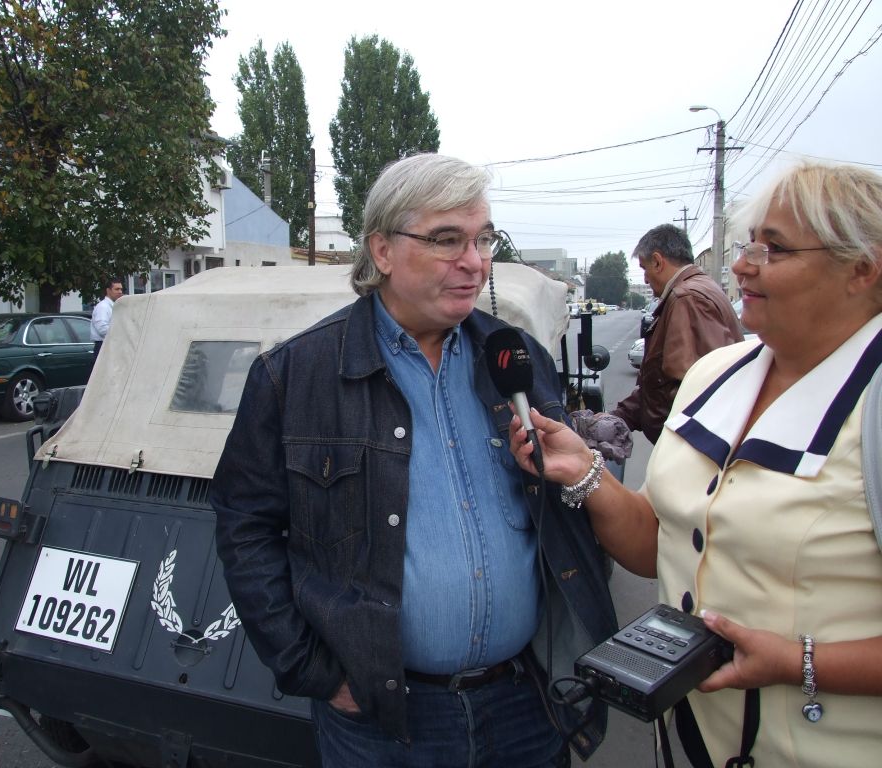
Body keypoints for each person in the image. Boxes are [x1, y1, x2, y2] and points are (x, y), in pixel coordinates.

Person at [211, 153, 617, 767]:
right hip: (383, 722)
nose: (475, 261)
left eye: (482, 239)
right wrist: (312, 671)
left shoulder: (515, 358)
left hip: (525, 705)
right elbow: (245, 529)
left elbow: (562, 515)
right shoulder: (295, 376)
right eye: (447, 239)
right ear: (382, 251)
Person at [511, 161, 882, 768]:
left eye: (775, 248)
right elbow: (663, 542)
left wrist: (797, 663)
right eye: (748, 244)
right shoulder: (715, 374)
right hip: (689, 742)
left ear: (862, 268)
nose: (741, 265)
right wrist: (585, 471)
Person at [611, 224, 744, 443]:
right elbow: (662, 384)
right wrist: (623, 416)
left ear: (657, 261)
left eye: (645, 268)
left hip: (691, 445)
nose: (644, 279)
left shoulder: (687, 299)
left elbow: (694, 390)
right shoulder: (697, 289)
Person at [89, 278, 123, 355]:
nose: (120, 292)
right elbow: (102, 329)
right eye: (117, 289)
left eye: (121, 289)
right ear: (108, 290)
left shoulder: (115, 306)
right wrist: (121, 333)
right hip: (104, 346)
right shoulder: (103, 307)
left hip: (112, 344)